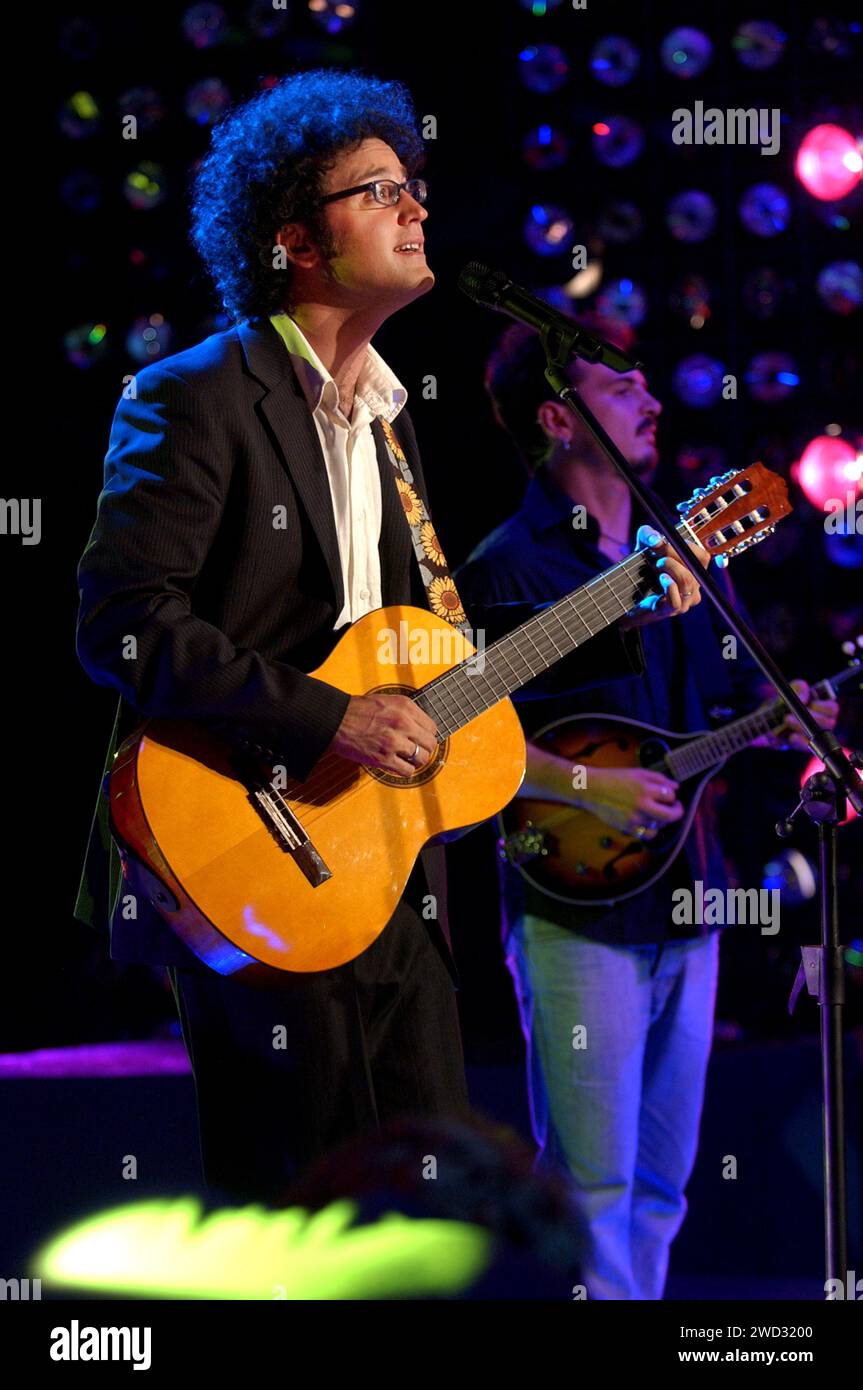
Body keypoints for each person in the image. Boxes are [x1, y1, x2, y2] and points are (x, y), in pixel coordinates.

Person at [73, 73, 695, 1203]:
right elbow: (123, 626)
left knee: (421, 1213)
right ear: (296, 241)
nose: (416, 209)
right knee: (301, 1215)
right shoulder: (196, 396)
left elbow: (437, 662)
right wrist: (332, 718)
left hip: (390, 879)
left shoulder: (394, 426)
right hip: (252, 841)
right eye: (379, 192)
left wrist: (622, 602)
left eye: (414, 186)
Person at [454, 318, 839, 1299]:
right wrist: (587, 785)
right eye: (620, 388)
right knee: (592, 1181)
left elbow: (708, 718)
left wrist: (782, 723)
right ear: (556, 418)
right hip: (573, 908)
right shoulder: (505, 565)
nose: (654, 401)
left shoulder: (687, 549)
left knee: (661, 1185)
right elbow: (459, 739)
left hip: (688, 898)